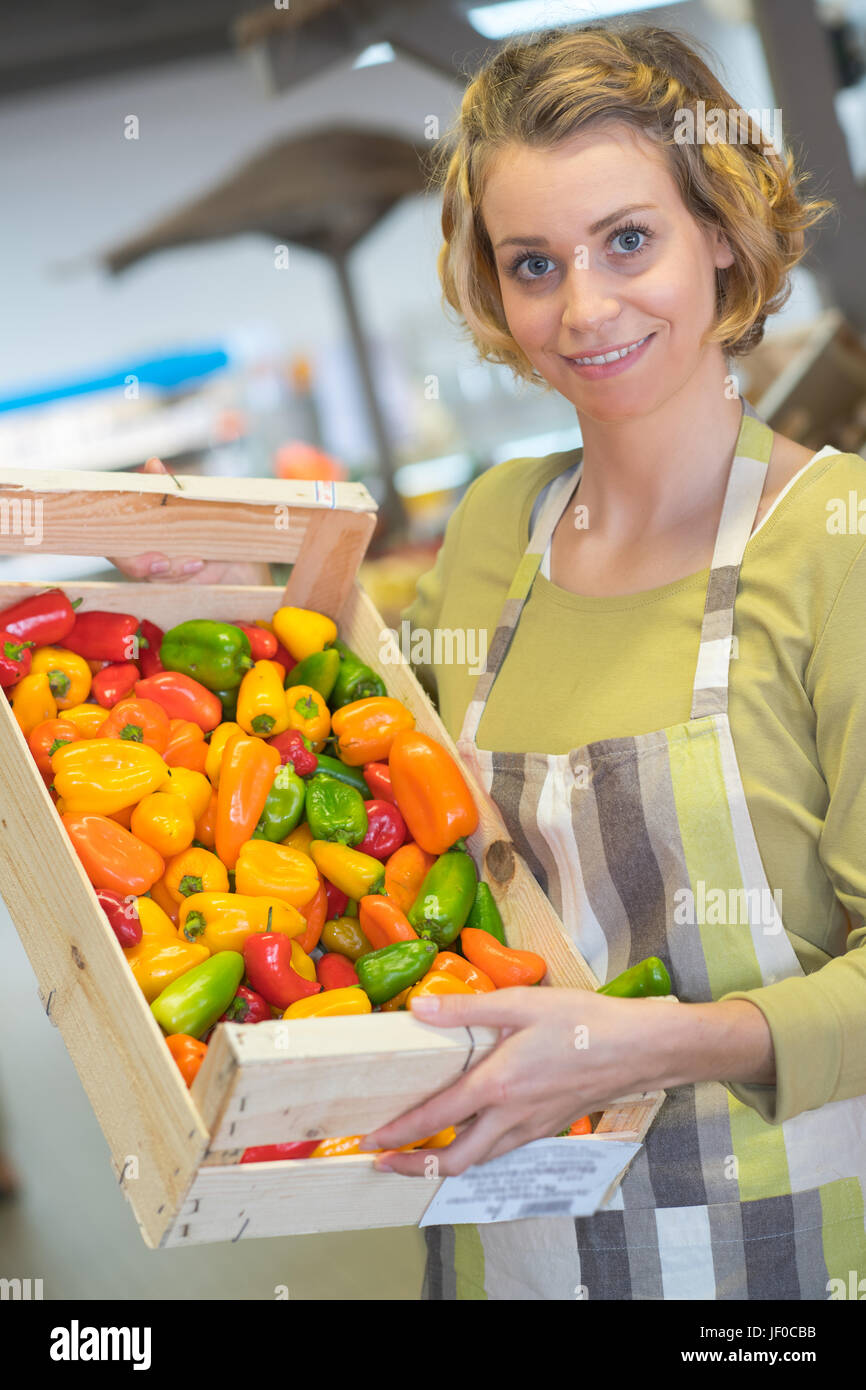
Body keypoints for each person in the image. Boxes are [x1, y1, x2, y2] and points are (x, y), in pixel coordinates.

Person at [112, 21, 866, 1301]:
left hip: (770, 1270)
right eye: (532, 263)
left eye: (628, 239)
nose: (581, 307)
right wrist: (221, 582)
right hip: (496, 1249)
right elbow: (375, 771)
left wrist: (636, 1046)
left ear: (722, 232)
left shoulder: (831, 545)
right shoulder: (493, 532)